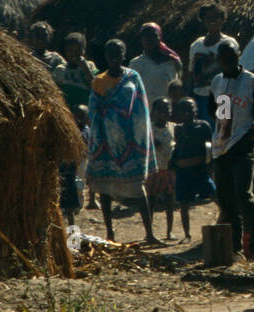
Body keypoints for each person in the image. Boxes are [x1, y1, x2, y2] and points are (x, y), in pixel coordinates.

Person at [86, 38, 159, 244]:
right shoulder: (98, 81)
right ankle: (110, 232)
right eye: (110, 54)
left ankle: (150, 233)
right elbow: (93, 110)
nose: (114, 58)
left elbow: (141, 108)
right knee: (106, 189)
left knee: (138, 189)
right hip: (107, 143)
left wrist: (138, 136)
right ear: (105, 56)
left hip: (131, 142)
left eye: (118, 54)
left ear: (123, 55)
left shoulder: (133, 77)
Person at [208, 40, 254, 260]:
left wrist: (251, 134)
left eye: (231, 57)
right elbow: (219, 112)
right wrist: (222, 139)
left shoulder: (251, 81)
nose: (227, 62)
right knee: (226, 198)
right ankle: (235, 248)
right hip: (223, 147)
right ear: (218, 60)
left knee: (244, 194)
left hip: (244, 145)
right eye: (223, 59)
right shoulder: (218, 83)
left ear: (238, 55)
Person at [55, 33, 98, 205]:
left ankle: (92, 197)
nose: (73, 54)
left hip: (88, 117)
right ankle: (75, 194)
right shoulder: (60, 71)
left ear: (83, 51)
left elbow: (96, 86)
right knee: (74, 159)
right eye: (70, 50)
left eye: (77, 50)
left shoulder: (89, 66)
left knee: (91, 158)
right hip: (69, 118)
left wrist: (85, 69)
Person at [171, 96, 215, 242]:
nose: (186, 113)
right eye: (182, 110)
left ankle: (223, 222)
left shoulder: (203, 126)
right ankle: (187, 234)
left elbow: (210, 147)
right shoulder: (179, 129)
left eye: (189, 109)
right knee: (184, 203)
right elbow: (179, 147)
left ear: (196, 110)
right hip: (184, 171)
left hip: (200, 170)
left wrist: (210, 165)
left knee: (215, 195)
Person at [189, 4, 237, 125]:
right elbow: (191, 72)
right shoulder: (196, 45)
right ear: (202, 19)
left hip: (223, 97)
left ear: (223, 19)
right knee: (203, 130)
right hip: (200, 97)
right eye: (208, 17)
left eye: (216, 17)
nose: (212, 20)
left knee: (223, 130)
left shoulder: (229, 43)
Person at [130, 22, 182, 108]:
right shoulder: (136, 64)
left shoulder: (172, 62)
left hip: (167, 112)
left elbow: (177, 88)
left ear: (159, 38)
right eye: (145, 36)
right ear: (141, 40)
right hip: (145, 112)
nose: (148, 39)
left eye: (152, 36)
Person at [147, 98, 177, 240]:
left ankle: (169, 231)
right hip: (153, 169)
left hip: (169, 169)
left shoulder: (174, 127)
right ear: (154, 112)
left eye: (166, 109)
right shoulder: (149, 129)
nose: (163, 113)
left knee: (169, 201)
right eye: (160, 110)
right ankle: (149, 231)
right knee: (151, 200)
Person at [59, 104, 88, 227]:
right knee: (73, 185)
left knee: (80, 184)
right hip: (71, 164)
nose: (78, 117)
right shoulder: (70, 130)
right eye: (76, 114)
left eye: (81, 115)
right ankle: (74, 206)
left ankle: (79, 203)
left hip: (81, 162)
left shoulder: (85, 130)